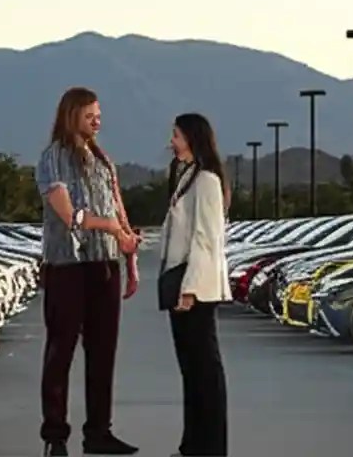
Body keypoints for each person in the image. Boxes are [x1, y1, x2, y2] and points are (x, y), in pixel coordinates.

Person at [35, 87, 141, 457]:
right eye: (90, 114)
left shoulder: (102, 160)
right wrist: (111, 228)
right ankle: (55, 436)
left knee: (103, 352)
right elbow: (70, 217)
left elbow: (117, 206)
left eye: (99, 113)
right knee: (60, 351)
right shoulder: (53, 158)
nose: (97, 119)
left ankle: (99, 432)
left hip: (104, 266)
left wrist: (129, 257)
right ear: (72, 115)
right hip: (66, 267)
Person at [159, 113, 231, 457]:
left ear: (191, 137)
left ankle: (212, 448)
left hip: (197, 288)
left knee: (205, 369)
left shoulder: (207, 181)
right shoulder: (186, 176)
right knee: (190, 370)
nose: (171, 141)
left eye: (175, 135)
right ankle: (193, 446)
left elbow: (206, 239)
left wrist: (189, 288)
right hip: (181, 284)